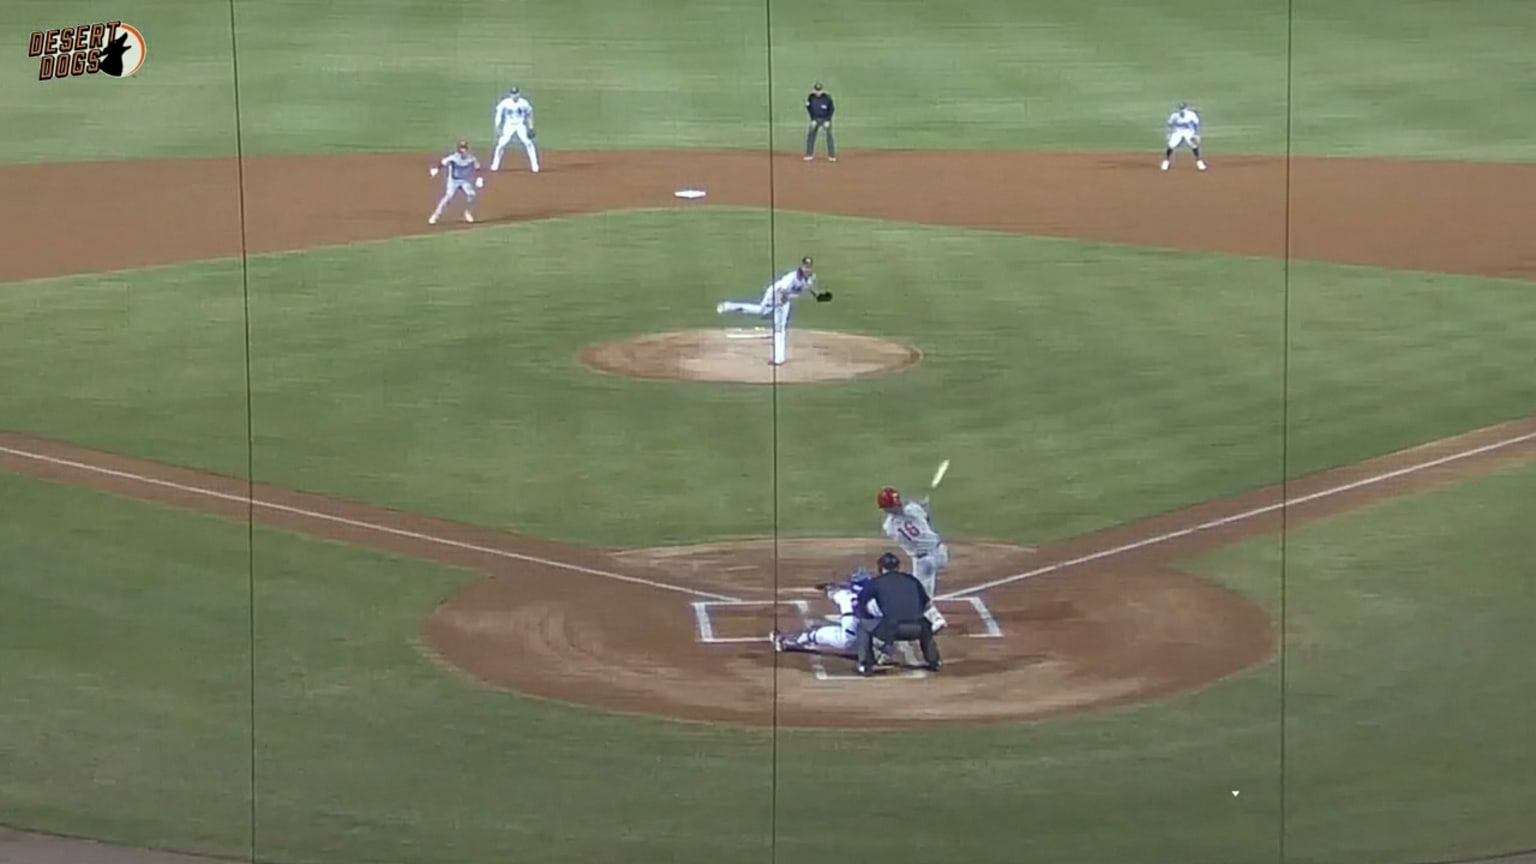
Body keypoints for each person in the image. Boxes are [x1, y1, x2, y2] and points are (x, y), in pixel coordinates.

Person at [715, 256, 831, 366]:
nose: (807, 269)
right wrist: (778, 304)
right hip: (775, 295)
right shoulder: (791, 278)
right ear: (801, 266)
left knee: (780, 327)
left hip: (785, 300)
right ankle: (728, 306)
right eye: (805, 266)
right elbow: (780, 291)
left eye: (809, 266)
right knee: (761, 311)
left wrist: (818, 296)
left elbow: (808, 286)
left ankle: (779, 359)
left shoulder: (810, 276)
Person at [852, 552, 941, 676]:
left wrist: (870, 616)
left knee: (863, 626)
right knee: (925, 624)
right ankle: (934, 661)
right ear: (898, 567)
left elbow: (860, 604)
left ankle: (865, 664)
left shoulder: (876, 582)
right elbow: (925, 604)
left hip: (892, 630)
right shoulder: (912, 580)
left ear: (881, 568)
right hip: (918, 629)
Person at [877, 486, 949, 631]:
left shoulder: (889, 526)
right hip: (941, 552)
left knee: (918, 593)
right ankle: (927, 610)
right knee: (925, 584)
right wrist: (923, 508)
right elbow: (925, 520)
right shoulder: (914, 509)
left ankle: (936, 619)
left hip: (924, 561)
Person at [427, 140, 484, 225]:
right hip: (454, 181)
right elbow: (442, 163)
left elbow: (478, 168)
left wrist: (479, 178)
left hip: (465, 180)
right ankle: (435, 215)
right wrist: (436, 169)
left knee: (472, 195)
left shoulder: (471, 158)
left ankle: (468, 212)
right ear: (458, 149)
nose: (463, 150)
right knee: (448, 197)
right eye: (461, 148)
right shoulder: (453, 158)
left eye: (464, 148)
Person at [491, 87, 540, 173]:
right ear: (510, 95)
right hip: (508, 125)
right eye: (513, 94)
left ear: (519, 94)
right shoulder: (505, 103)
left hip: (520, 125)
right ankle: (495, 165)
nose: (514, 96)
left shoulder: (524, 103)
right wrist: (498, 127)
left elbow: (529, 115)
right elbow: (498, 115)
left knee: (528, 143)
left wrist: (531, 127)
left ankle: (535, 166)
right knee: (501, 144)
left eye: (516, 94)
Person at [1162, 101, 1206, 172]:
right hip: (1177, 133)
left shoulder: (1191, 115)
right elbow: (1170, 124)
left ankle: (1199, 162)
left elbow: (1196, 125)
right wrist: (1169, 134)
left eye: (1183, 108)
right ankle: (1166, 161)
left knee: (1194, 146)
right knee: (1171, 145)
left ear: (1186, 109)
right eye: (1181, 109)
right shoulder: (1175, 116)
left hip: (1189, 133)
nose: (1182, 110)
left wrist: (1196, 134)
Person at [804, 82, 837, 161]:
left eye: (819, 90)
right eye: (816, 90)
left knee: (829, 135)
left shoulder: (827, 98)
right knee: (811, 135)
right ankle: (809, 154)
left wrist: (828, 120)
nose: (818, 92)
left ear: (822, 90)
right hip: (815, 119)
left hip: (825, 119)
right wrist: (812, 119)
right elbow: (809, 108)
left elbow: (831, 109)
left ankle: (831, 155)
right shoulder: (811, 97)